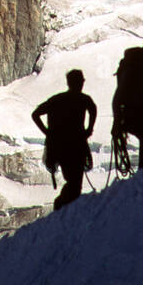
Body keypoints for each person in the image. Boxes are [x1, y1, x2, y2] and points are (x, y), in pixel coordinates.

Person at [32, 69, 96, 210]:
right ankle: (62, 207)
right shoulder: (84, 99)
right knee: (75, 183)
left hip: (59, 147)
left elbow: (35, 114)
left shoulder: (57, 100)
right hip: (76, 146)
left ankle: (64, 209)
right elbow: (93, 108)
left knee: (73, 181)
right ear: (80, 83)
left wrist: (47, 132)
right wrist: (89, 129)